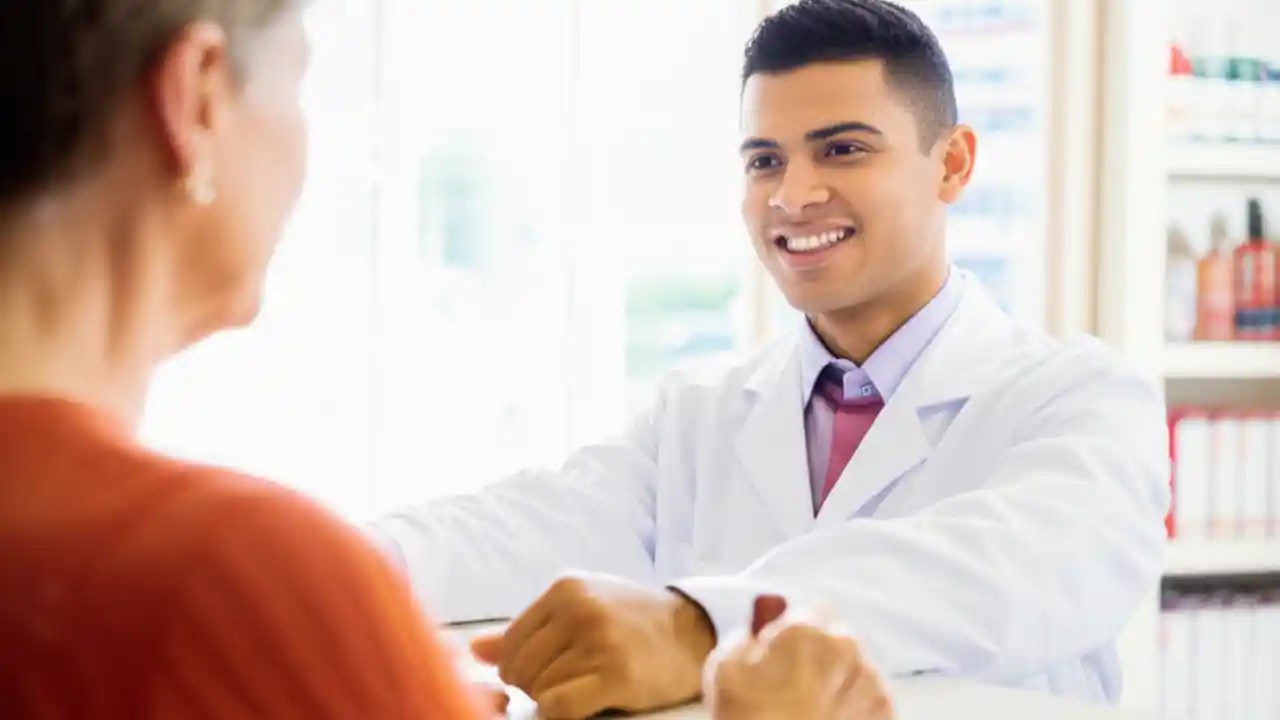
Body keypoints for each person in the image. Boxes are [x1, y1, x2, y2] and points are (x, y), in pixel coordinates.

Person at [0, 1, 883, 718]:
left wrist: (364, 665)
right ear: (196, 99)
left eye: (841, 148)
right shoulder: (220, 574)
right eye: (300, 85)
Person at [372, 0, 1171, 716]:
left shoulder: (1086, 400)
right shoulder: (701, 413)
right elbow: (525, 525)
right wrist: (321, 568)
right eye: (764, 160)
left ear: (953, 163)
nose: (792, 196)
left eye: (843, 150)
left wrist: (700, 627)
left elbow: (1002, 572)